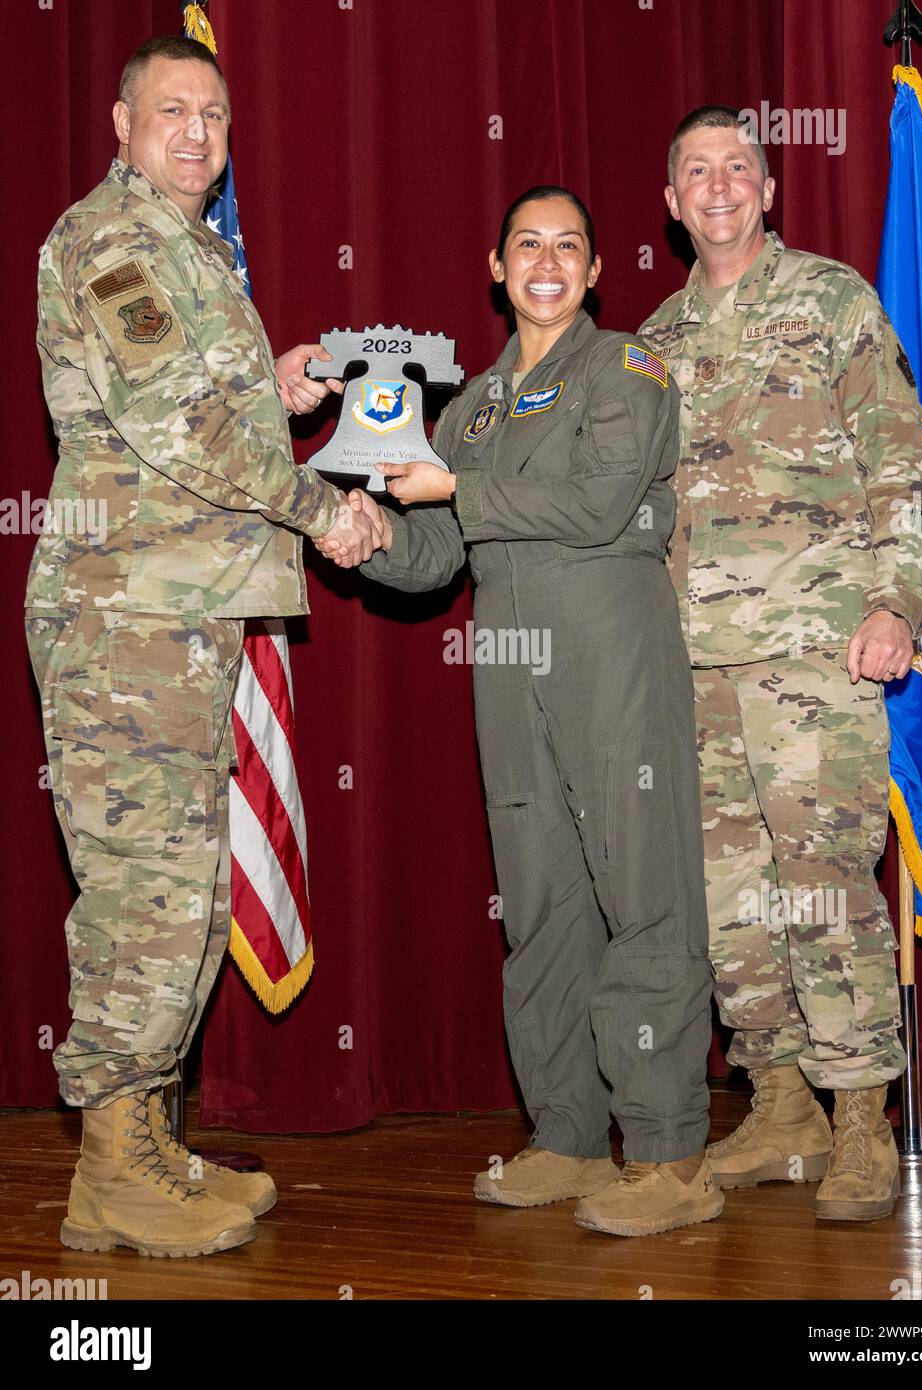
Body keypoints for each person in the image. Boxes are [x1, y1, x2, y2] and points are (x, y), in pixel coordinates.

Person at [27, 34, 381, 1258]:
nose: (196, 133)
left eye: (215, 116)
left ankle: (141, 1148)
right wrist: (324, 505)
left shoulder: (194, 258)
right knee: (141, 901)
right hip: (126, 618)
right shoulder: (110, 240)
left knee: (176, 899)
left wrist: (269, 384)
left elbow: (197, 403)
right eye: (171, 110)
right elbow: (178, 424)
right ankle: (109, 1170)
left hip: (181, 616)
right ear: (120, 123)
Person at [324, 186, 720, 1238]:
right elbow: (440, 558)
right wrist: (368, 536)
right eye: (525, 246)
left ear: (595, 273)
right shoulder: (468, 408)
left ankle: (671, 1149)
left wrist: (451, 488)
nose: (546, 262)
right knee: (540, 898)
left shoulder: (628, 368)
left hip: (612, 646)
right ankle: (567, 1135)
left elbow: (596, 503)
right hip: (505, 657)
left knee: (644, 890)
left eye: (569, 247)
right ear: (494, 268)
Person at [637, 106, 922, 1221]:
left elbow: (905, 465)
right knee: (727, 901)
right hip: (690, 669)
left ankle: (861, 1119)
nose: (717, 187)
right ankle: (780, 1107)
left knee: (822, 887)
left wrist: (893, 598)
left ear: (766, 190)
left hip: (818, 656)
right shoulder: (654, 343)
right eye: (695, 173)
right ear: (670, 203)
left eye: (737, 168)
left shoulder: (832, 302)